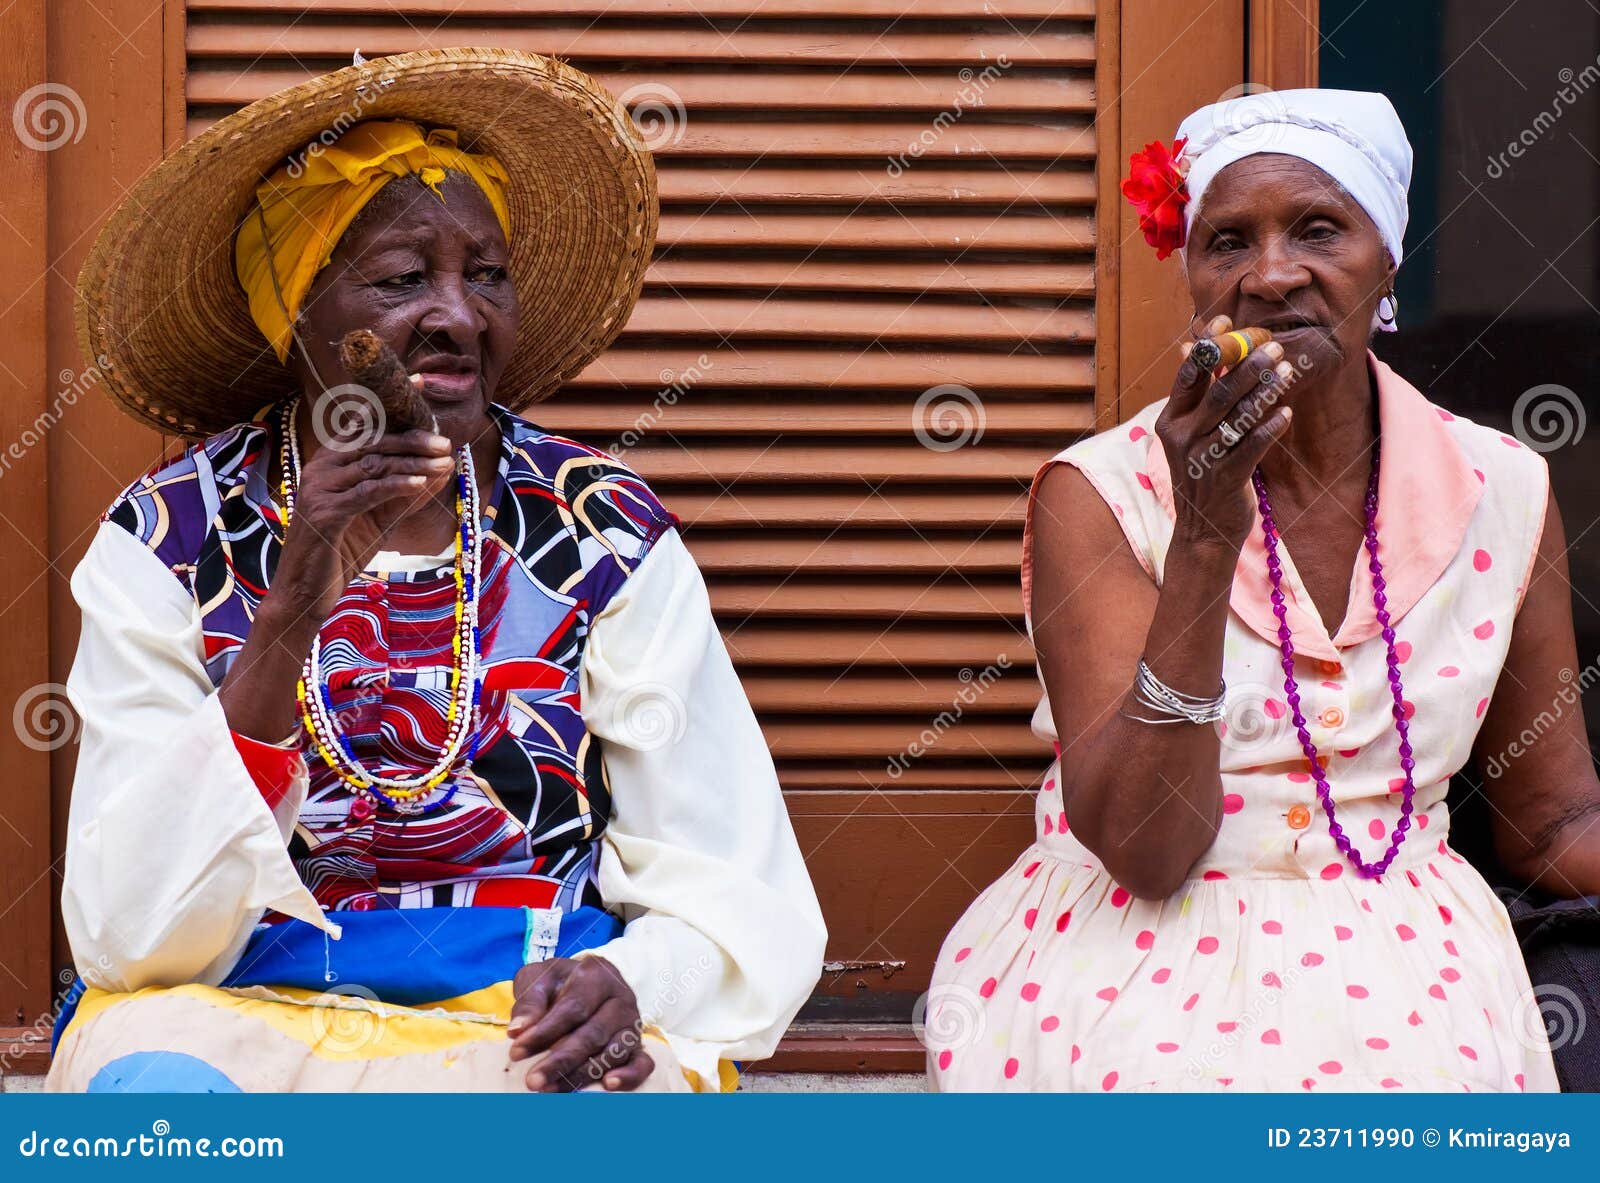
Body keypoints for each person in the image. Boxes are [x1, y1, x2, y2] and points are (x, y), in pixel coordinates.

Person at [51, 48, 825, 1093]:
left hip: (524, 1014)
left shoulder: (600, 532)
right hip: (239, 1012)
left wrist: (631, 979)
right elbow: (129, 933)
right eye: (403, 278)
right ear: (298, 320)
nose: (458, 316)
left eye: (487, 276)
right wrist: (290, 611)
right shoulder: (167, 537)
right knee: (150, 1104)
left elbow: (733, 881)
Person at [926, 89, 1600, 1092]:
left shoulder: (1501, 486)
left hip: (1416, 965)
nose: (1272, 273)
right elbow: (1146, 851)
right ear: (1193, 277)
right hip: (1132, 958)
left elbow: (1551, 825)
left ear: (1386, 264)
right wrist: (1204, 536)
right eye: (1229, 241)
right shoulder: (1100, 493)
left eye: (1318, 229)